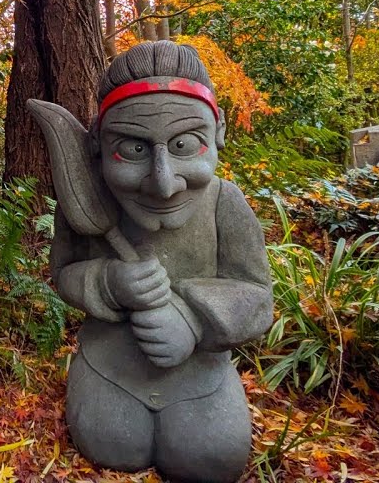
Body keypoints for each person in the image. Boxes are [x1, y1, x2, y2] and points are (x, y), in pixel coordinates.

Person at [48, 40, 273, 483]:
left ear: (218, 132)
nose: (163, 184)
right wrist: (108, 282)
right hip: (110, 366)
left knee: (211, 454)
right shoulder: (86, 205)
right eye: (132, 150)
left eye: (186, 145)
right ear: (96, 142)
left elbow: (257, 296)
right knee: (112, 441)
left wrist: (191, 318)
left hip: (201, 375)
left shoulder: (224, 203)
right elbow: (63, 273)